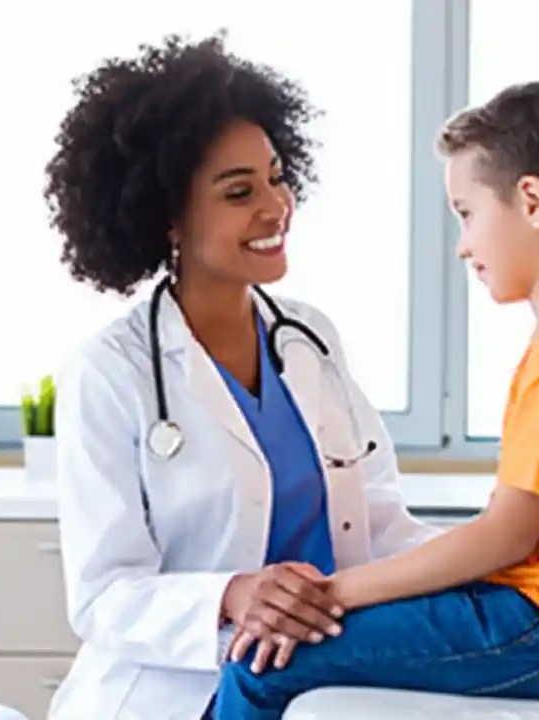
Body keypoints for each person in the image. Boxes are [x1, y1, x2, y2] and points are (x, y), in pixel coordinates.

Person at [213, 81, 539, 719]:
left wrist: (335, 592)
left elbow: (503, 538)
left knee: (262, 663)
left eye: (466, 213)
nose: (462, 244)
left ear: (533, 201)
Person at [43, 34, 438, 720]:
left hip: (313, 690)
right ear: (167, 215)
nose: (275, 206)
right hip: (174, 697)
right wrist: (233, 593)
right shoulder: (110, 373)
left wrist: (506, 552)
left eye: (278, 176)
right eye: (238, 192)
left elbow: (377, 525)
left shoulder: (310, 341)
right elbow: (103, 595)